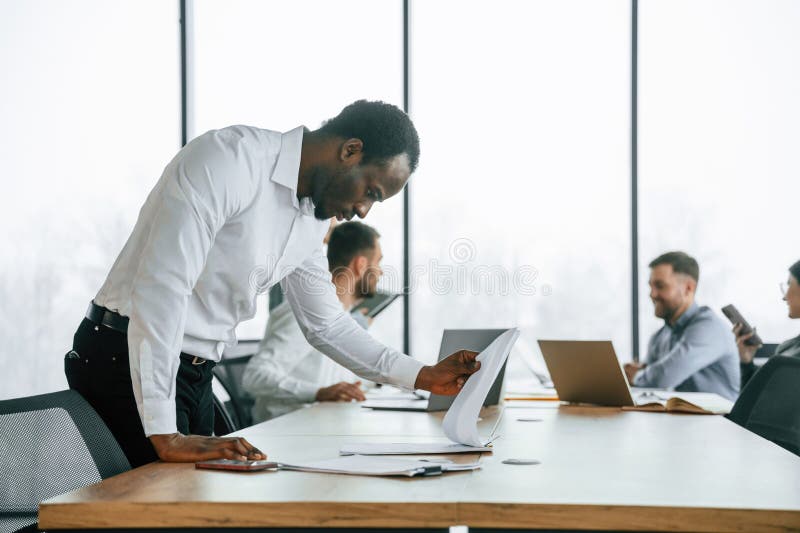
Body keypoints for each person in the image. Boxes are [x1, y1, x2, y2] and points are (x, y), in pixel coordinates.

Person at [64, 100, 480, 467]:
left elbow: (328, 326)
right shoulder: (230, 159)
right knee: (157, 513)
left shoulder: (307, 223)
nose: (364, 210)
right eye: (370, 191)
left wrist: (422, 375)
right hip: (125, 354)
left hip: (193, 372)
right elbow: (164, 287)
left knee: (202, 510)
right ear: (350, 151)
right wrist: (163, 432)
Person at [243, 221, 388, 422]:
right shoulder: (304, 312)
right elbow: (255, 377)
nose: (381, 272)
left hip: (321, 425)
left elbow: (336, 382)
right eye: (378, 262)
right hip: (286, 433)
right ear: (360, 265)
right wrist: (318, 392)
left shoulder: (341, 316)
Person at [623, 251, 739, 401]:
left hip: (717, 421)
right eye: (651, 286)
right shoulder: (659, 336)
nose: (652, 294)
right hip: (677, 420)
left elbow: (664, 376)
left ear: (688, 288)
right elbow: (650, 377)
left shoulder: (709, 328)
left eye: (660, 286)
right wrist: (634, 372)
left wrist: (637, 376)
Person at [735, 260, 800, 387]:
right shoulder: (787, 348)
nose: (784, 296)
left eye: (789, 285)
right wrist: (746, 361)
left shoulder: (789, 355)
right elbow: (758, 397)